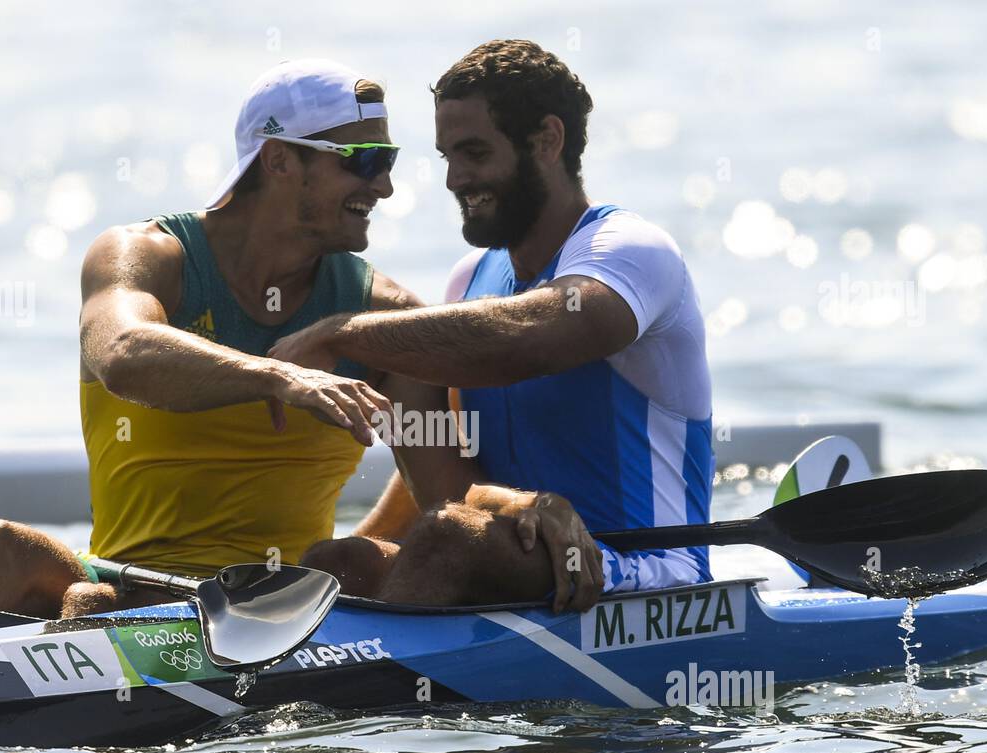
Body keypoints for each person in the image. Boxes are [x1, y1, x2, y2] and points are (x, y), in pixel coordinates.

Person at [0, 58, 597, 619]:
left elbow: (446, 497)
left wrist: (532, 505)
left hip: (276, 612)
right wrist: (278, 375)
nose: (385, 185)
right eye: (363, 160)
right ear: (280, 161)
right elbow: (122, 353)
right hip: (123, 579)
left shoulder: (380, 312)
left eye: (388, 160)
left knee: (352, 557)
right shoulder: (146, 259)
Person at [271, 39, 715, 608]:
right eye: (446, 157)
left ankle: (355, 693)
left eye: (474, 153)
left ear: (548, 140)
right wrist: (346, 569)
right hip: (517, 558)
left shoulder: (633, 251)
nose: (455, 179)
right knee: (341, 560)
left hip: (644, 572)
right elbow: (448, 476)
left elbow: (530, 341)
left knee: (450, 537)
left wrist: (339, 333)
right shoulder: (469, 280)